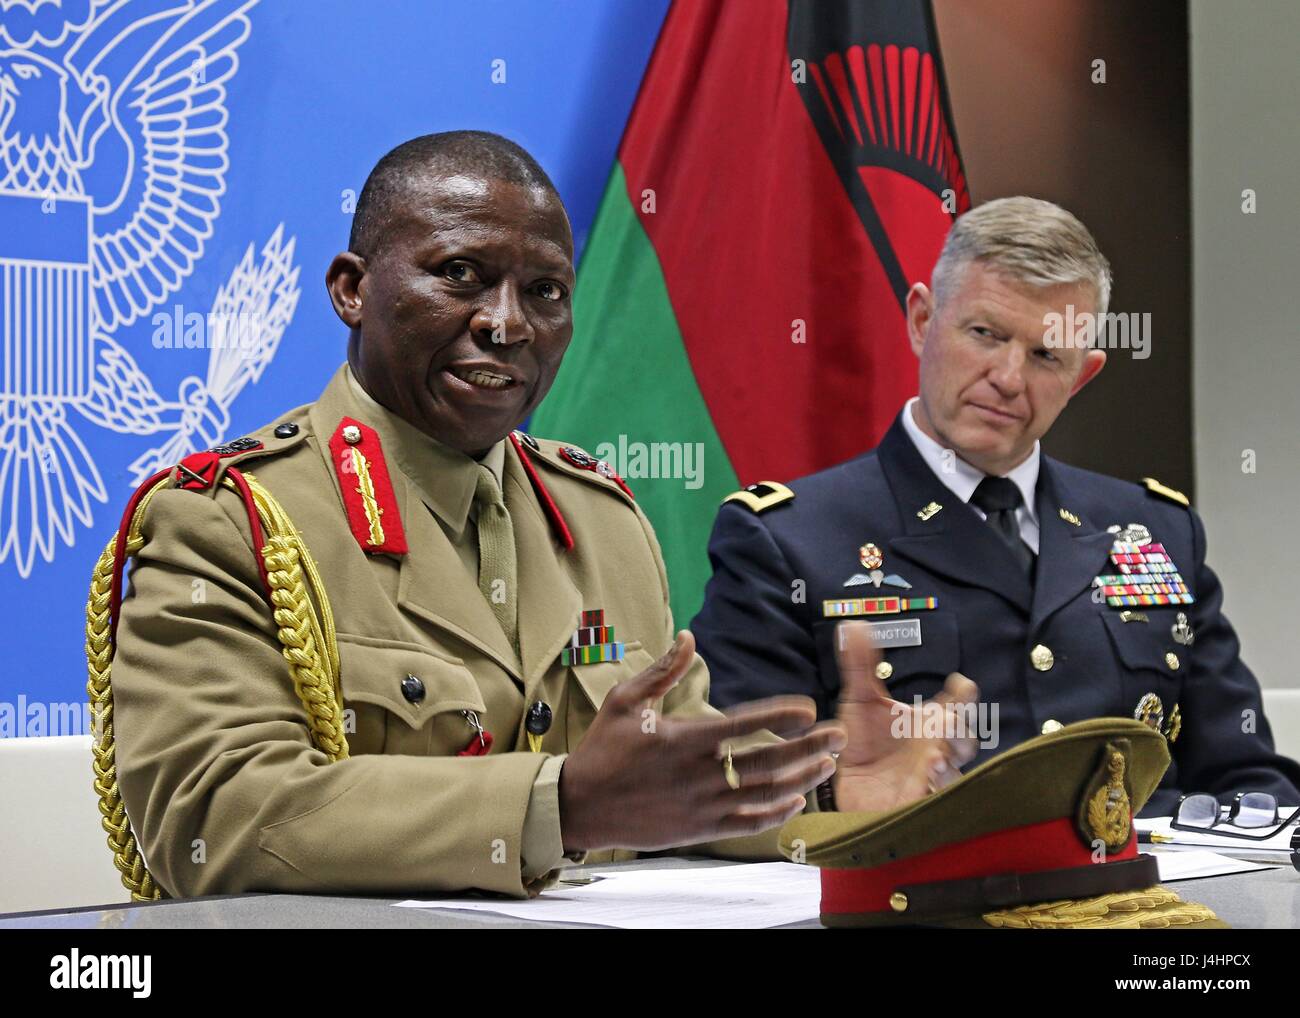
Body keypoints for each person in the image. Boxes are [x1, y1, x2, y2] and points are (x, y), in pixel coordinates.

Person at [102, 131, 976, 900]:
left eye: (547, 291)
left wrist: (826, 789)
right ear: (351, 290)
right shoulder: (228, 521)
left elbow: (678, 775)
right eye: (460, 276)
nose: (507, 324)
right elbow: (213, 818)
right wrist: (555, 805)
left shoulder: (602, 518)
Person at [692, 196, 1300, 817]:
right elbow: (736, 795)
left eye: (1045, 356)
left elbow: (1248, 780)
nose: (1009, 377)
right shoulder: (788, 540)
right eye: (985, 334)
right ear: (922, 320)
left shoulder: (1157, 530)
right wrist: (841, 796)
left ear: (1082, 375)